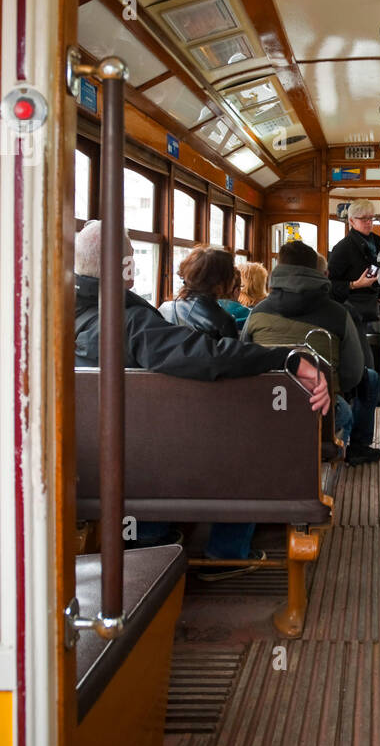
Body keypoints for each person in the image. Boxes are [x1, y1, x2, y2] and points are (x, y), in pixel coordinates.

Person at [75, 221, 329, 576]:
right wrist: (284, 357)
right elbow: (205, 355)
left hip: (87, 466)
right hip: (156, 457)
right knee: (250, 445)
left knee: (139, 439)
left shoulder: (56, 315)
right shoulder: (129, 323)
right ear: (125, 270)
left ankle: (151, 537)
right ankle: (226, 552)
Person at [242, 240, 380, 466]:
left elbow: (244, 359)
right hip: (321, 410)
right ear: (320, 273)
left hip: (264, 407)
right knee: (361, 389)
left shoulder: (257, 313)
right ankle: (353, 450)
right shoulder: (339, 314)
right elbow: (353, 373)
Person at [327, 199, 380, 328]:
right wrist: (354, 284)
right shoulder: (342, 248)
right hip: (349, 312)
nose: (368, 223)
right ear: (351, 221)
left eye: (371, 218)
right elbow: (329, 285)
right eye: (363, 219)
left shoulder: (376, 243)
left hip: (372, 308)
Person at [159, 245, 240, 339]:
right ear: (219, 281)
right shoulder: (224, 322)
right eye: (232, 273)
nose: (235, 277)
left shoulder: (164, 309)